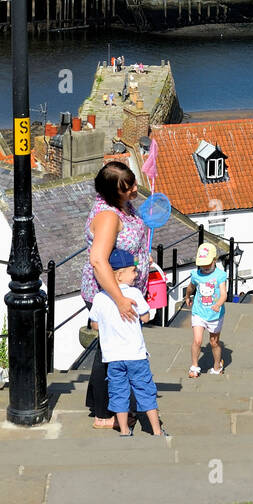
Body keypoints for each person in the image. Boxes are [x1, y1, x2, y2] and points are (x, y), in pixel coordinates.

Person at [81, 162, 151, 429]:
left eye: (132, 182)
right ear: (112, 193)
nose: (135, 189)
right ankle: (104, 414)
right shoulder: (109, 217)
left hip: (124, 288)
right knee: (113, 352)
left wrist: (143, 258)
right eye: (128, 187)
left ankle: (101, 404)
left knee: (107, 348)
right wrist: (120, 300)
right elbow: (99, 260)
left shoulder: (120, 205)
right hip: (109, 293)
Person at [89, 249, 164, 437]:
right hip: (136, 355)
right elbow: (146, 317)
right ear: (120, 274)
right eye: (133, 270)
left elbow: (95, 325)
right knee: (145, 391)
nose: (137, 274)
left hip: (113, 357)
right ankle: (156, 431)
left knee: (119, 394)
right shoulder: (135, 293)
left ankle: (124, 430)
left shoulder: (100, 297)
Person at [184, 242, 228, 377]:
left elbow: (223, 293)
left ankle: (217, 365)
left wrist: (218, 304)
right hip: (199, 311)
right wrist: (187, 296)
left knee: (214, 342)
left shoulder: (220, 275)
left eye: (207, 263)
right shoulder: (196, 274)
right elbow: (191, 287)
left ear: (214, 261)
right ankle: (194, 366)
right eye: (202, 264)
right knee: (197, 340)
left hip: (215, 314)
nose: (205, 267)